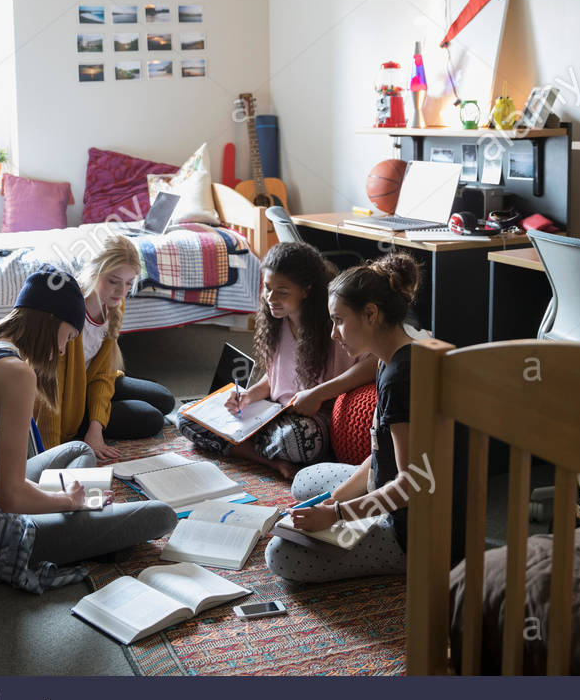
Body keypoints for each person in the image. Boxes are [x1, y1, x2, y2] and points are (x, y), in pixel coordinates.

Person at [0, 268, 177, 593]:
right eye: (69, 337)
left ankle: (82, 521)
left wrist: (64, 499)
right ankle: (84, 526)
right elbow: (10, 496)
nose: (61, 352)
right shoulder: (16, 374)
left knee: (79, 450)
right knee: (160, 516)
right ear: (51, 322)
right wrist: (68, 502)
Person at [265, 252, 420, 583]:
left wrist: (336, 514)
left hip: (409, 531)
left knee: (280, 556)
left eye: (338, 320)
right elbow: (382, 453)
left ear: (370, 314)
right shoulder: (388, 358)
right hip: (387, 487)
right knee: (305, 481)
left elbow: (412, 485)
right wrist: (334, 502)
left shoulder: (400, 378)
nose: (334, 334)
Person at [178, 242, 376, 479]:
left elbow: (375, 362)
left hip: (312, 420)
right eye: (267, 287)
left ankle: (240, 443)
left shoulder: (333, 325)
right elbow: (274, 378)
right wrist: (248, 396)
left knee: (298, 440)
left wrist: (319, 394)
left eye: (282, 291)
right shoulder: (276, 321)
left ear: (306, 290)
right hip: (271, 413)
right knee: (186, 416)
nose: (271, 298)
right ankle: (269, 461)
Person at [34, 234, 175, 461]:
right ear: (95, 271)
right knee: (151, 418)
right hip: (67, 398)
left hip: (92, 380)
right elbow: (50, 389)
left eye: (129, 283)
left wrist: (96, 427)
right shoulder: (69, 310)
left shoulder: (115, 305)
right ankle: (81, 427)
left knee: (165, 399)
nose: (121, 292)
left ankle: (96, 416)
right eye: (113, 281)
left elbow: (103, 374)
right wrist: (50, 454)